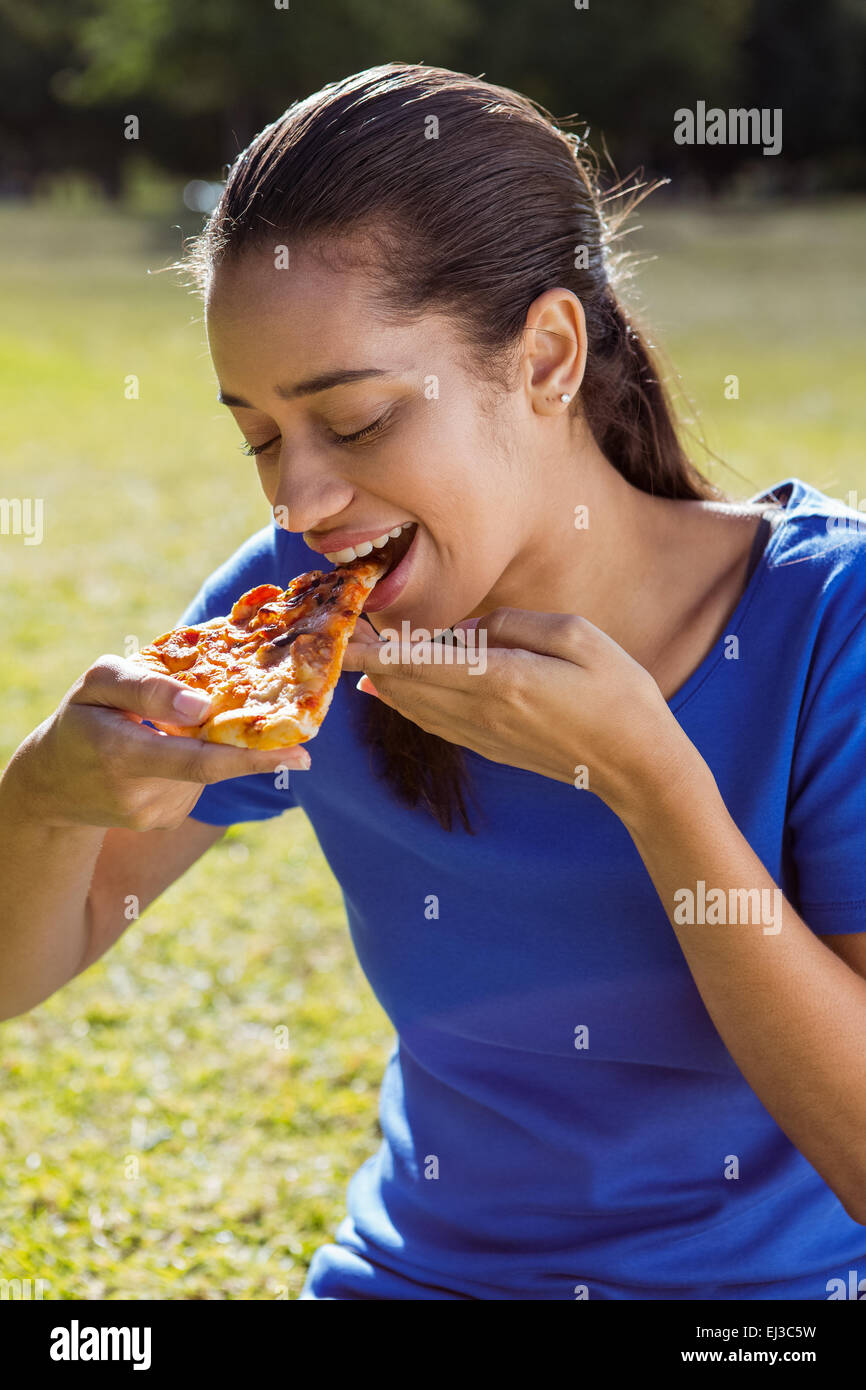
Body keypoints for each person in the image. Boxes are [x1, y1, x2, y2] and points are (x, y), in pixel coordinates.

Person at [3, 63, 866, 1301]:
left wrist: (652, 785)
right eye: (256, 435)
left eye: (351, 422)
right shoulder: (292, 620)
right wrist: (44, 796)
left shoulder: (824, 626)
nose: (297, 499)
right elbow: (21, 966)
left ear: (548, 357)